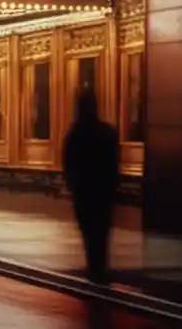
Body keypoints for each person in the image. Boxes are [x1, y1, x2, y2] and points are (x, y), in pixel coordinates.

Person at [63, 88, 119, 284]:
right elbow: (114, 164)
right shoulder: (108, 133)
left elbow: (68, 164)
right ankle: (101, 268)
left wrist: (72, 185)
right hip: (103, 192)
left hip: (84, 192)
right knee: (102, 231)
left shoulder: (74, 134)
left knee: (88, 232)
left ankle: (94, 268)